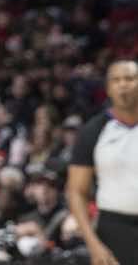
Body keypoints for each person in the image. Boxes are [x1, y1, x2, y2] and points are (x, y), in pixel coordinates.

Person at [67, 60, 138, 265]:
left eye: (130, 78)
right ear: (108, 89)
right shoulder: (93, 131)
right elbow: (76, 192)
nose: (123, 84)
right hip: (114, 227)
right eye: (116, 80)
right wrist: (93, 244)